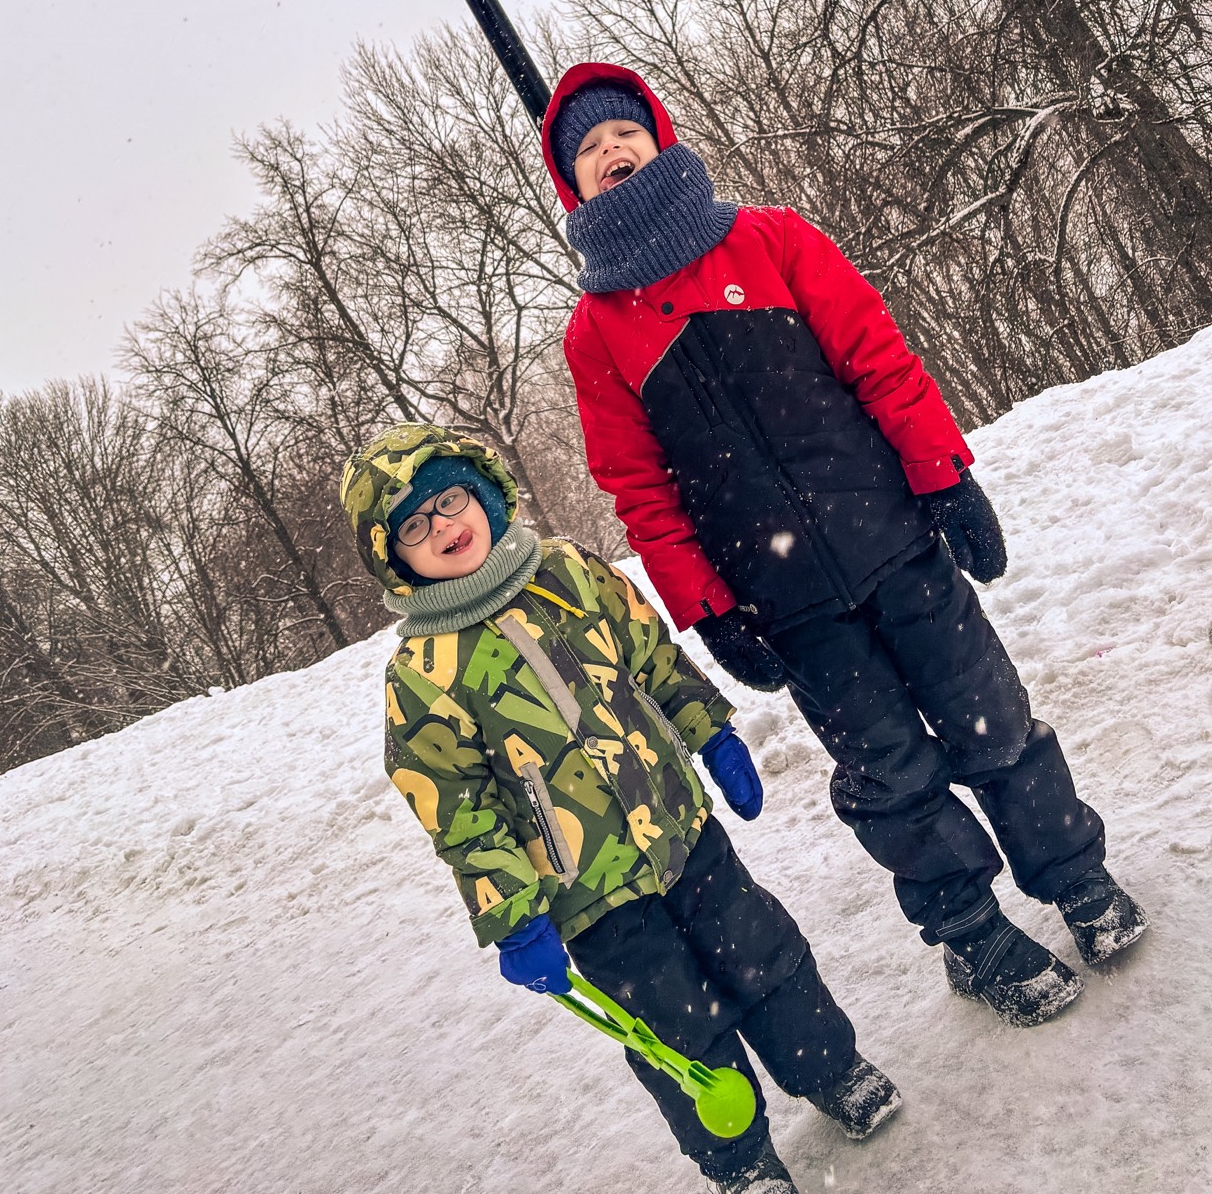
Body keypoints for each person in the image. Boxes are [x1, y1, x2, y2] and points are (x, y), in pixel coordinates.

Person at [540, 63, 1148, 1029]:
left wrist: (944, 475)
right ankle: (972, 934)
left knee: (992, 719)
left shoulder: (767, 237)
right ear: (572, 185)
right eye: (585, 150)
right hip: (790, 607)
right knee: (892, 774)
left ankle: (1075, 874)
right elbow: (640, 492)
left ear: (657, 137)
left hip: (897, 544)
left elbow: (877, 354)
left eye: (622, 133)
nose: (609, 151)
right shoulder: (597, 333)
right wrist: (707, 606)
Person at [343, 422, 902, 1194]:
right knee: (674, 1025)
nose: (443, 526)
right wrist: (513, 911)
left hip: (683, 831)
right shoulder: (423, 673)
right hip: (587, 893)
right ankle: (740, 1163)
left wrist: (711, 732)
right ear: (395, 556)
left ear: (483, 494)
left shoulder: (568, 571)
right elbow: (459, 811)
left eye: (450, 499)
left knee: (764, 953)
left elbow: (653, 657)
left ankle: (831, 1068)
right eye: (415, 523)